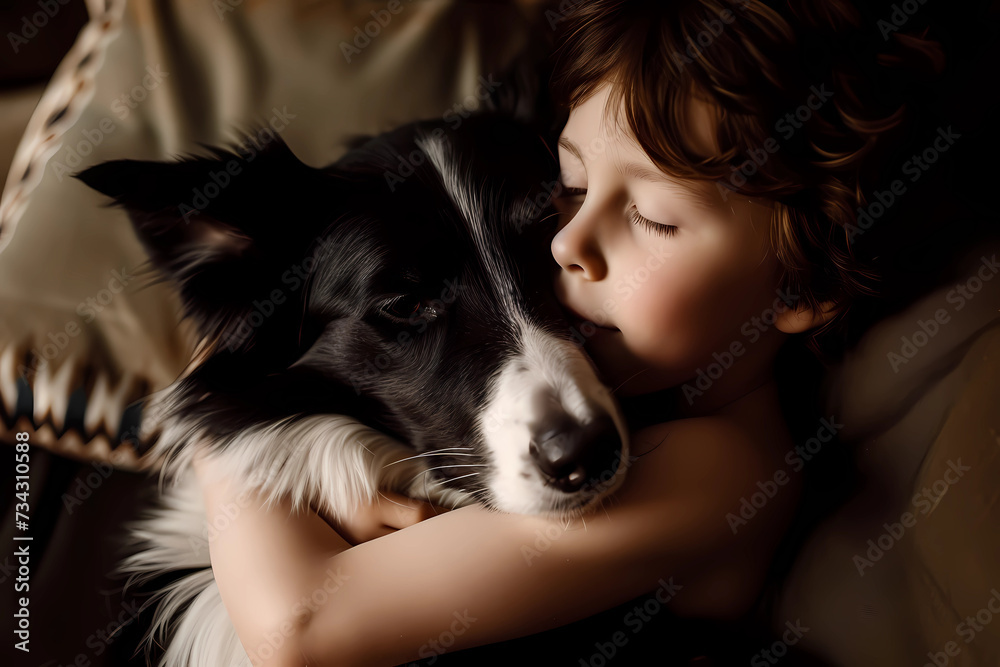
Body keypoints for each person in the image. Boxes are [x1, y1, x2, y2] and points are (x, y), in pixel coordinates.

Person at [192, 1, 942, 664]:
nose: (566, 242)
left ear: (800, 285)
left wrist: (214, 436)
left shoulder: (725, 467)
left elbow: (301, 628)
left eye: (652, 217)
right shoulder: (644, 392)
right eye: (572, 191)